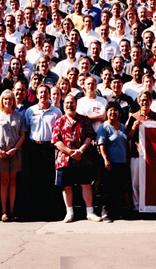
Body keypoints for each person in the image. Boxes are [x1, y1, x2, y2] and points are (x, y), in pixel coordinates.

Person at [52, 94, 102, 222]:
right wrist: (70, 152)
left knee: (86, 184)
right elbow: (56, 140)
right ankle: (70, 213)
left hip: (83, 158)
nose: (70, 105)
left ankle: (90, 212)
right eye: (67, 103)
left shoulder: (84, 120)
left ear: (76, 104)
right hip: (64, 159)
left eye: (72, 102)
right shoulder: (60, 121)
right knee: (66, 186)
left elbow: (89, 136)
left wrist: (80, 151)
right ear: (64, 105)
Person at [25, 84, 63, 220]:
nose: (43, 95)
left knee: (48, 179)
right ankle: (36, 212)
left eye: (46, 92)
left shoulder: (56, 112)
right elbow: (27, 129)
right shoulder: (30, 111)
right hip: (34, 148)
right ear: (37, 95)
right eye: (41, 93)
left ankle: (48, 211)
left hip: (49, 148)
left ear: (49, 94)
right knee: (35, 179)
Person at [0, 89, 28, 222]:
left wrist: (15, 149)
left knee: (13, 181)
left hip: (15, 153)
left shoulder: (19, 116)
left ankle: (12, 210)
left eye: (10, 99)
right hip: (1, 153)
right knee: (4, 180)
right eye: (5, 99)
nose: (8, 101)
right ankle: (4, 211)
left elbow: (23, 135)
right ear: (2, 101)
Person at [96, 101, 128, 222]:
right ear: (107, 112)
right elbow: (101, 145)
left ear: (119, 112)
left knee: (117, 188)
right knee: (107, 188)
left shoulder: (123, 127)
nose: (113, 112)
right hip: (110, 163)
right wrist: (106, 159)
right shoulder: (103, 127)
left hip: (122, 163)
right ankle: (105, 213)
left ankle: (114, 212)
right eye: (110, 110)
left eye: (115, 110)